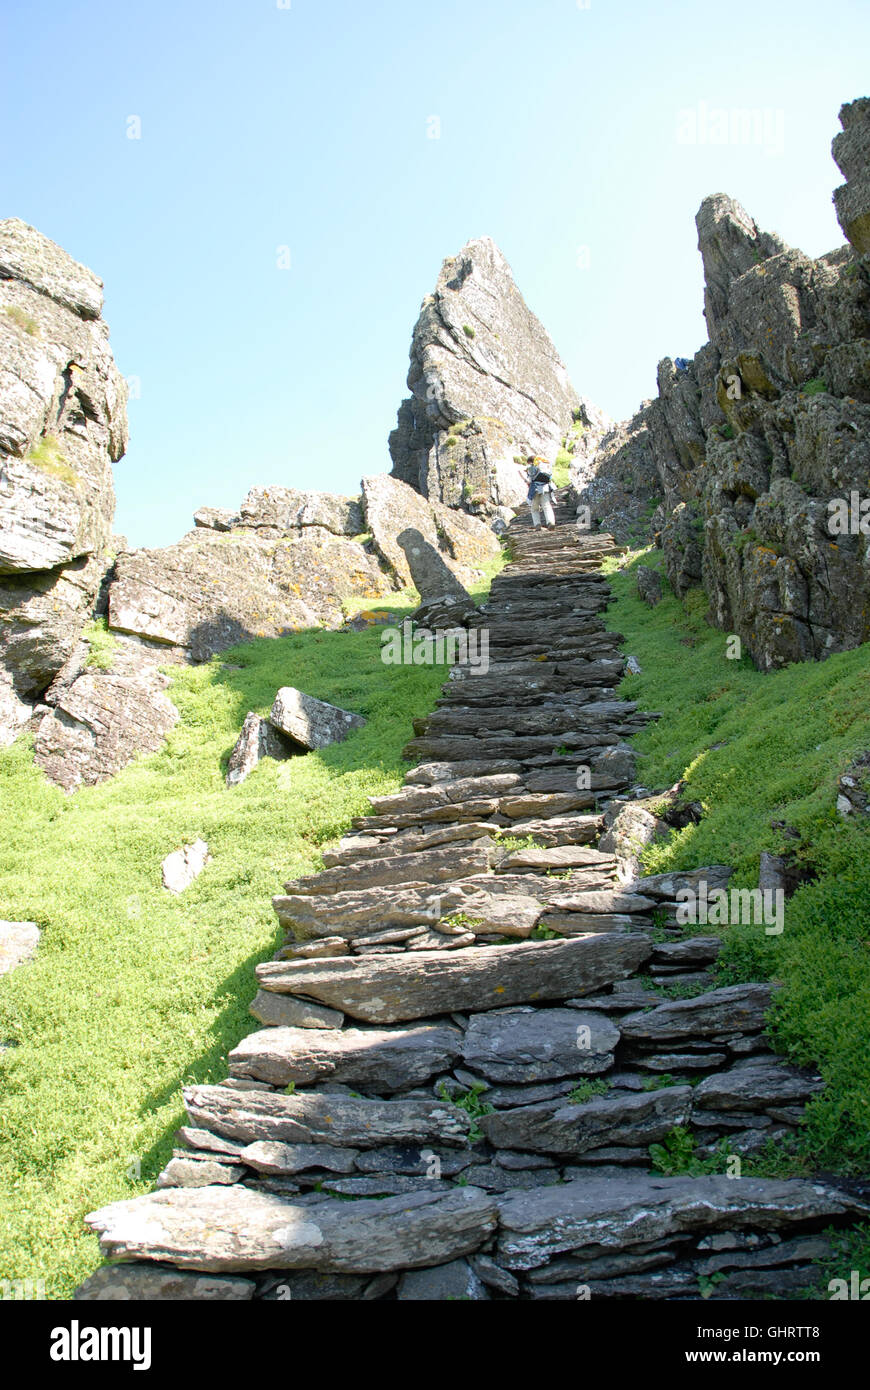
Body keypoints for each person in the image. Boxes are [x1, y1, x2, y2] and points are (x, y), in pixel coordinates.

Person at [526, 455, 556, 529]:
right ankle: (550, 522)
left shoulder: (531, 468)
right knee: (547, 506)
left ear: (530, 462)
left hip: (535, 489)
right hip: (545, 488)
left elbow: (529, 480)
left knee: (534, 509)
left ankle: (537, 524)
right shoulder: (544, 466)